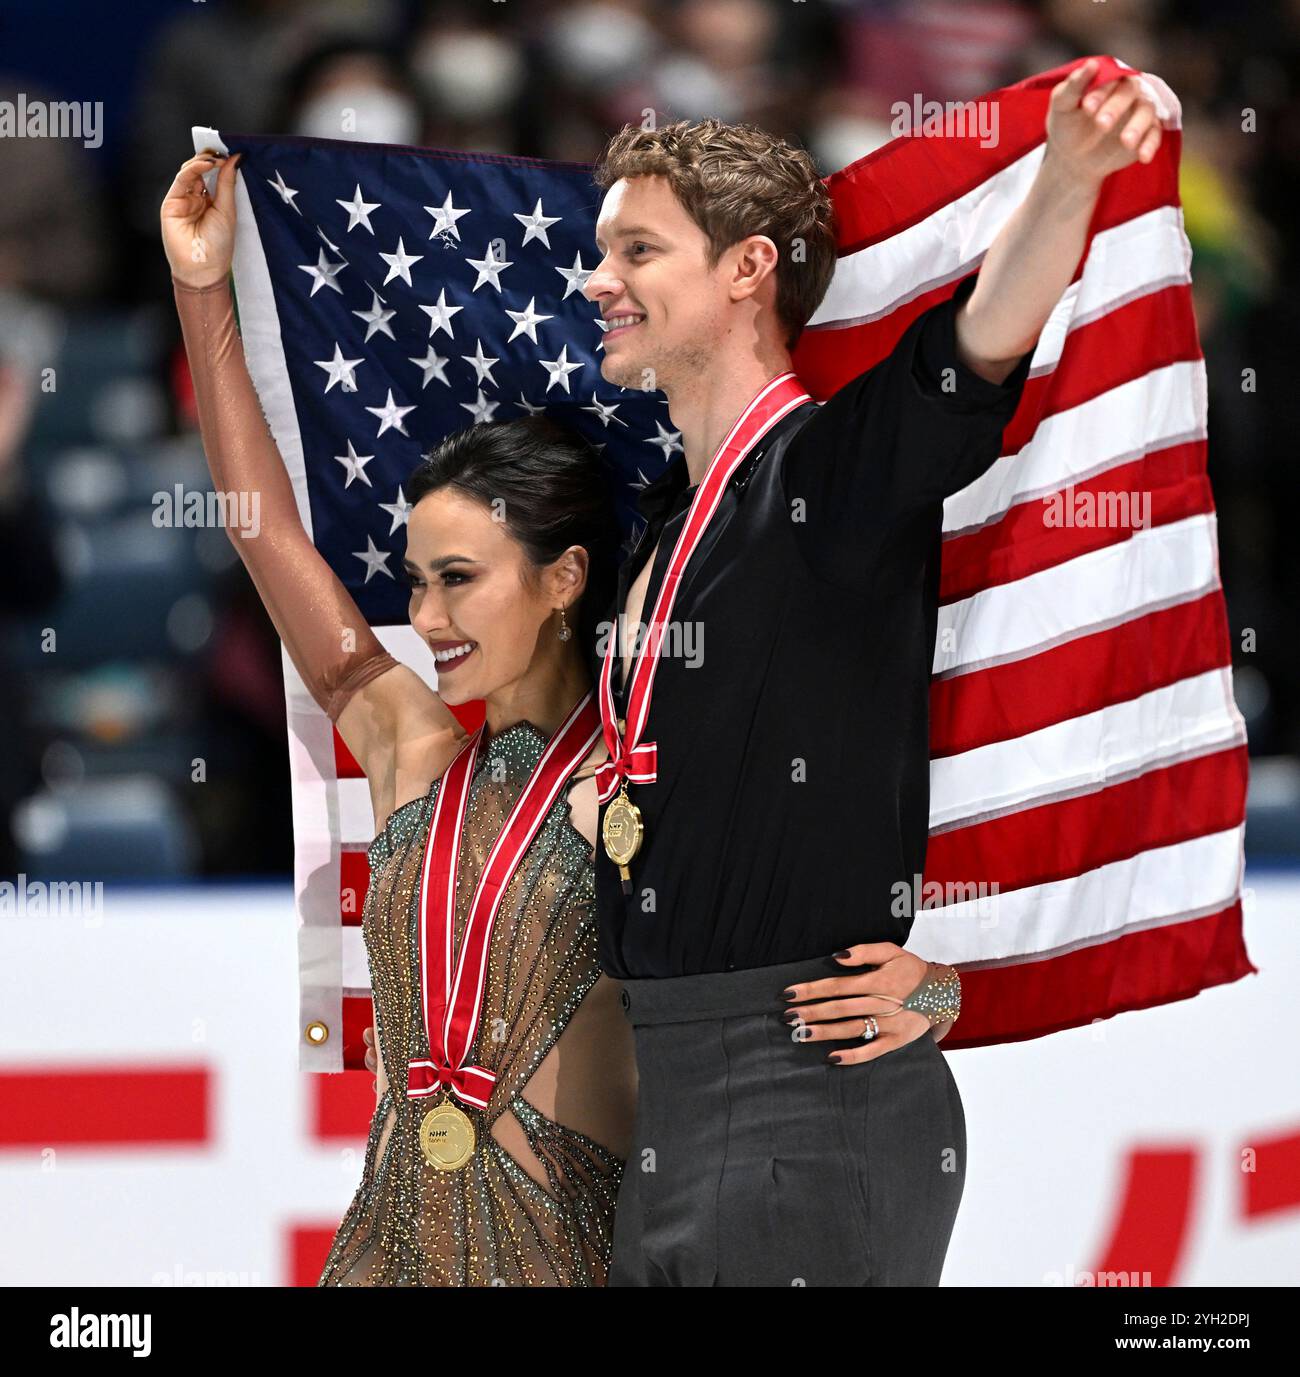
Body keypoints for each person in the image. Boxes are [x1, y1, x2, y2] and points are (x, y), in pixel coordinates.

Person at [581, 61, 1163, 1285]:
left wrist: (1063, 177)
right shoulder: (658, 523)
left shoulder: (822, 486)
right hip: (667, 1100)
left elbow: (969, 355)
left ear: (746, 269)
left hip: (804, 1093)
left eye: (637, 252)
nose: (599, 283)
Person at [161, 151, 638, 1285]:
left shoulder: (650, 763)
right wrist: (201, 293)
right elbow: (259, 527)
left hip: (570, 1257)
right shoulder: (409, 748)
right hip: (385, 1251)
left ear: (564, 579)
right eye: (416, 583)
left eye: (458, 579)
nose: (423, 617)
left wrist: (933, 988)